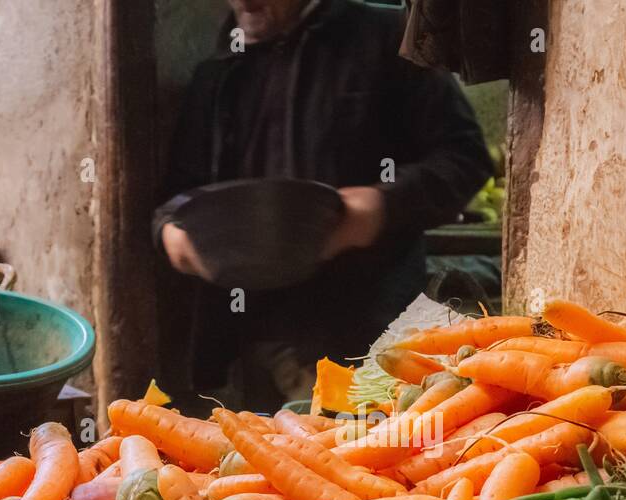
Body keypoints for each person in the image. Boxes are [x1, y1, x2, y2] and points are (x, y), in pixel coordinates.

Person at [153, 0, 493, 410]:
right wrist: (172, 234)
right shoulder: (220, 71)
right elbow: (177, 197)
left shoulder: (386, 37)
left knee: (364, 451)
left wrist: (382, 205)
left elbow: (465, 157)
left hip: (369, 330)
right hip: (253, 340)